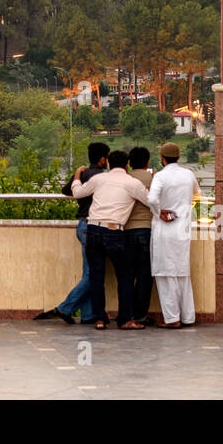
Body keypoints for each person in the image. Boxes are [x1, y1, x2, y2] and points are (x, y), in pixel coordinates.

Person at [68, 148, 153, 330]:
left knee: (97, 277)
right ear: (127, 164)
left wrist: (76, 176)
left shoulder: (98, 179)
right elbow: (151, 201)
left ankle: (99, 318)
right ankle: (125, 319)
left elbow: (78, 193)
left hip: (92, 230)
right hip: (114, 232)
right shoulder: (132, 183)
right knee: (125, 276)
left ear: (108, 162)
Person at [35, 141, 108, 324]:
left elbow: (67, 190)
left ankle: (88, 314)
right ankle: (64, 308)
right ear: (102, 159)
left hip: (82, 225)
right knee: (92, 274)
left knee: (88, 272)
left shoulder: (82, 174)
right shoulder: (102, 177)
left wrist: (77, 175)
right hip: (94, 226)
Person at [147, 141, 201, 328]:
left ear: (162, 159)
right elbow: (197, 194)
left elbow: (152, 199)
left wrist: (160, 211)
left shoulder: (160, 177)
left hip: (165, 230)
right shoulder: (189, 175)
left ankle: (172, 319)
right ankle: (187, 316)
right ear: (178, 157)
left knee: (164, 274)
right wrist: (184, 210)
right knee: (182, 273)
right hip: (183, 229)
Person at [124, 146, 155, 326]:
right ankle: (140, 315)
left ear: (129, 163)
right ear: (147, 163)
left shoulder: (125, 179)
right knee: (144, 275)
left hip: (126, 231)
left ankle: (127, 315)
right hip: (146, 230)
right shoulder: (153, 179)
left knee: (127, 275)